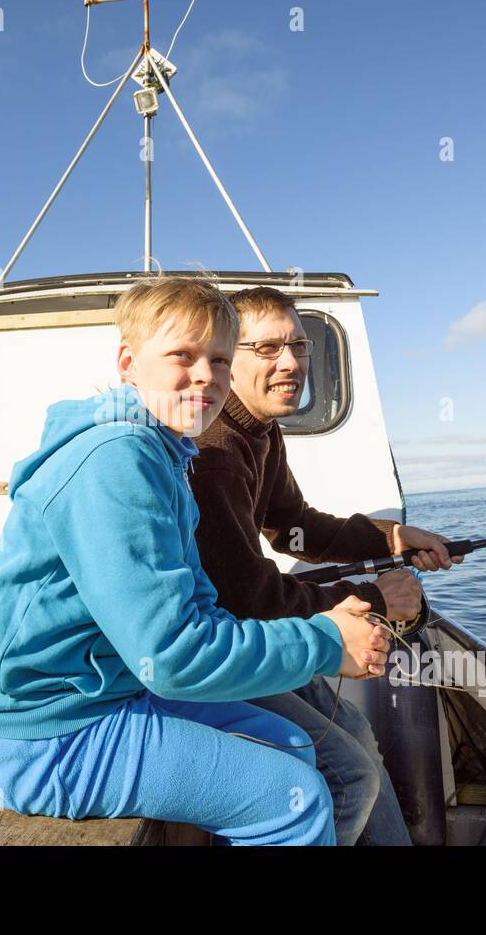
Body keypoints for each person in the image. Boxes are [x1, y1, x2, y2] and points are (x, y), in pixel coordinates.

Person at [0, 276, 389, 845]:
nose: (207, 375)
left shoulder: (164, 453)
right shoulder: (116, 460)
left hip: (108, 691)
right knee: (292, 803)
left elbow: (199, 606)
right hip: (39, 730)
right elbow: (172, 657)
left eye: (220, 360)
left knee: (298, 747)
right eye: (183, 355)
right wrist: (325, 641)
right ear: (128, 362)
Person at [189, 285, 463, 845]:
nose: (289, 361)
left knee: (359, 738)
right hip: (207, 651)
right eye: (265, 349)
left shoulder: (259, 430)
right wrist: (378, 598)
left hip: (240, 632)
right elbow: (249, 599)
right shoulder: (215, 451)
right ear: (224, 360)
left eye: (297, 344)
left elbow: (296, 526)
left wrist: (392, 536)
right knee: (349, 775)